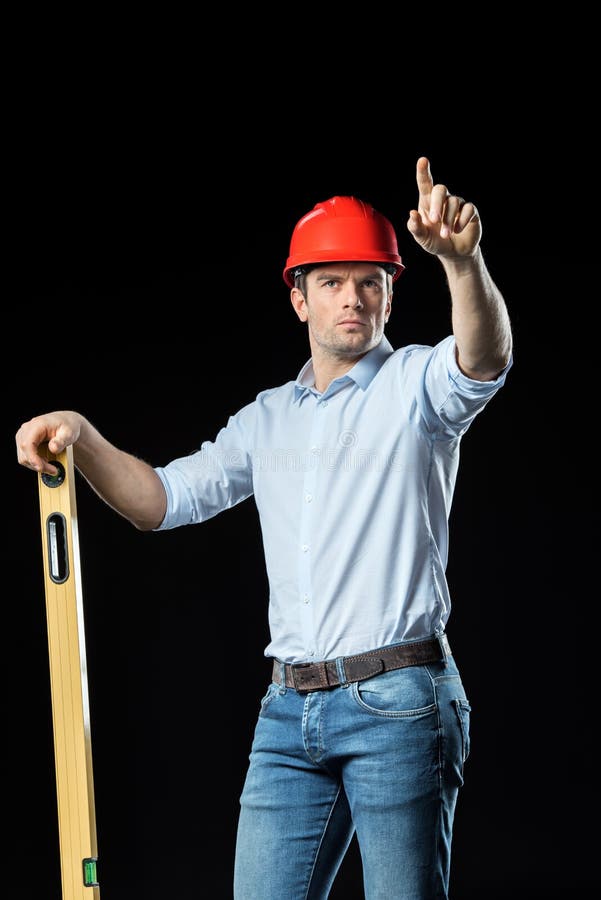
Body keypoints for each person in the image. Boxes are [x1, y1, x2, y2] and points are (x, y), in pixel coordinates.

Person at [16, 157, 513, 899]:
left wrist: (463, 263)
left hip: (399, 701)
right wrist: (83, 436)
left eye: (370, 281)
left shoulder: (417, 386)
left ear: (389, 293)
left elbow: (483, 358)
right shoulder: (265, 419)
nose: (353, 298)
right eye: (331, 282)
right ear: (299, 300)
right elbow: (159, 500)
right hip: (288, 715)